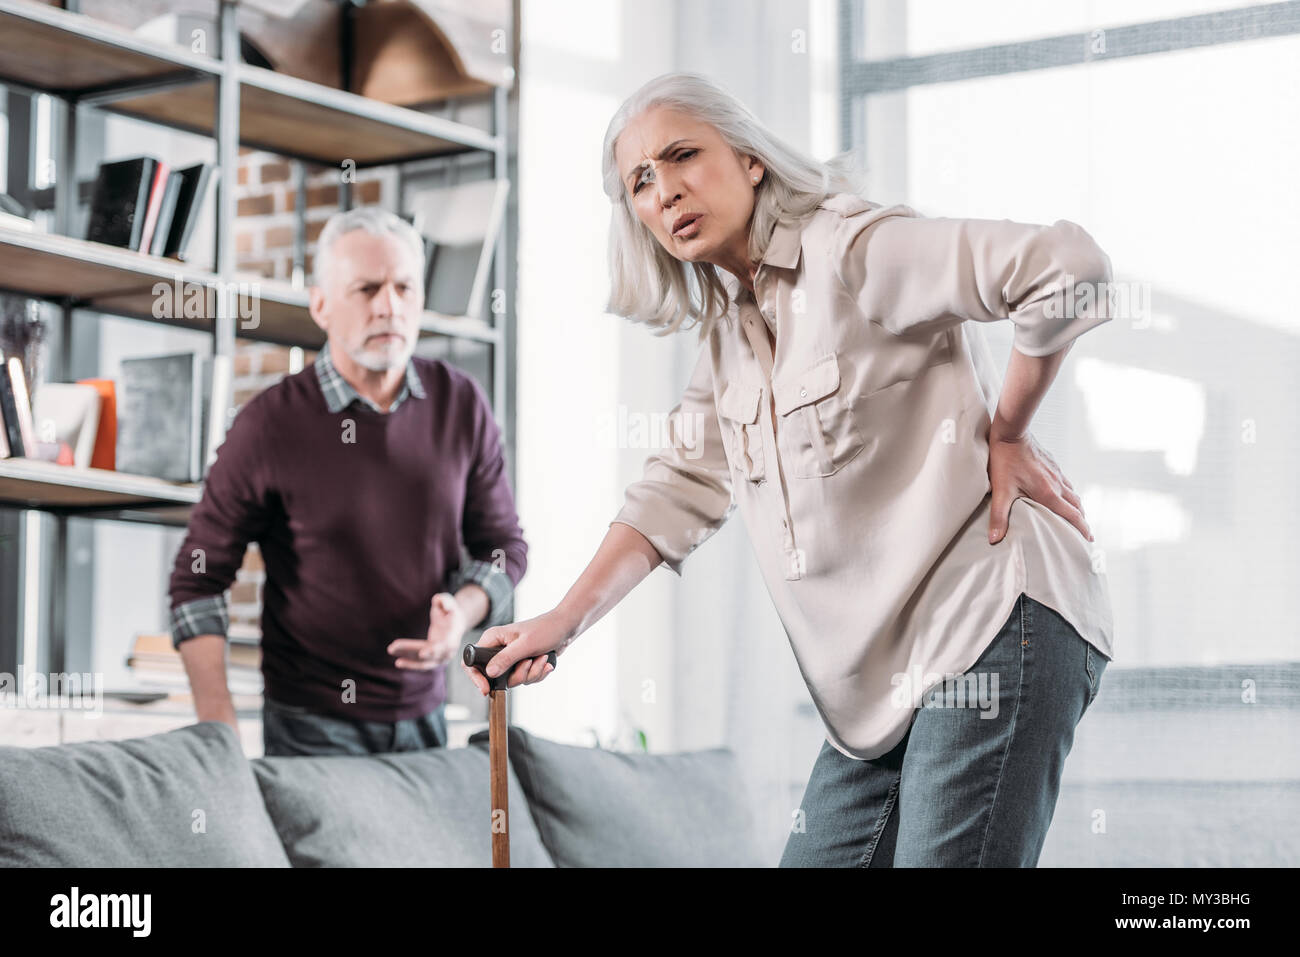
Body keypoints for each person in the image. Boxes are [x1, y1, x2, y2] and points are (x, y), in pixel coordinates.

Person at [462, 71, 1115, 867]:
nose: (665, 190)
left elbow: (1067, 265)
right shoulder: (730, 333)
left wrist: (1008, 428)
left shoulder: (855, 249)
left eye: (681, 156)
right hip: (877, 691)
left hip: (990, 620)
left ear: (750, 160)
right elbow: (674, 491)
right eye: (640, 180)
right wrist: (560, 622)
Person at [169, 206, 527, 757]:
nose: (389, 306)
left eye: (405, 287)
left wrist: (464, 613)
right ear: (320, 305)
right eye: (367, 289)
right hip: (309, 728)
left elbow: (504, 549)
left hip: (428, 721)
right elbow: (197, 580)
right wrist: (218, 728)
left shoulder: (461, 404)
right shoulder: (270, 423)